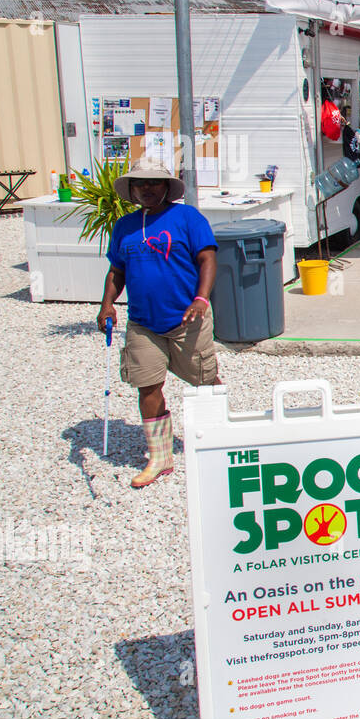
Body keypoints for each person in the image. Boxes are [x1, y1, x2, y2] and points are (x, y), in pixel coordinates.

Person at [96, 159, 220, 488]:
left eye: (154, 182)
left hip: (187, 319)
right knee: (147, 386)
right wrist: (107, 304)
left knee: (205, 380)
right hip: (142, 323)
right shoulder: (124, 226)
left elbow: (207, 258)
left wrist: (201, 298)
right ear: (132, 189)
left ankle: (221, 438)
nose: (147, 188)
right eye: (139, 183)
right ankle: (160, 457)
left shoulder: (188, 217)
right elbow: (117, 270)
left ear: (167, 187)